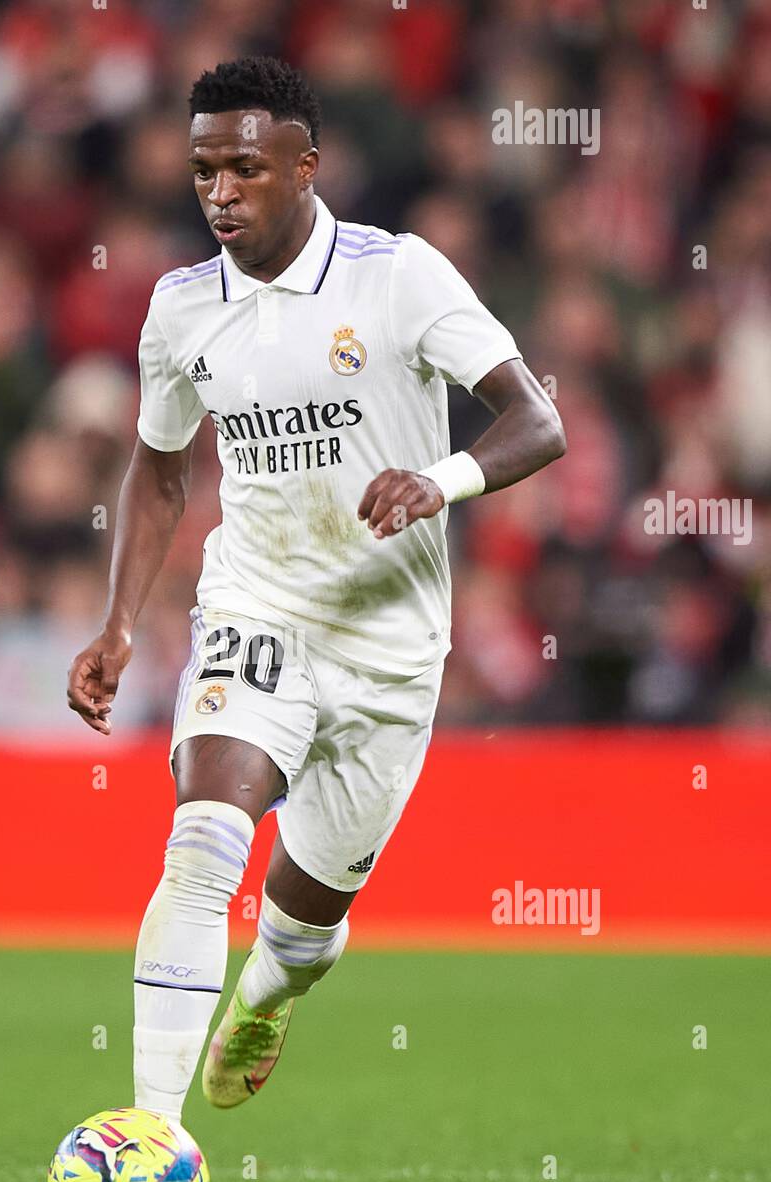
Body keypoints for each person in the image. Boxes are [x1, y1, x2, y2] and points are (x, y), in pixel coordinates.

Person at [67, 57, 565, 1124]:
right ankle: (150, 1135)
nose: (219, 194)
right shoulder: (180, 309)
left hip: (389, 644)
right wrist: (118, 623)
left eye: (244, 169)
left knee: (302, 923)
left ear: (306, 167)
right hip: (256, 610)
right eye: (203, 171)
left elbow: (538, 420)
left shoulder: (400, 276)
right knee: (203, 842)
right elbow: (160, 468)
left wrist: (437, 480)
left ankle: (272, 988)